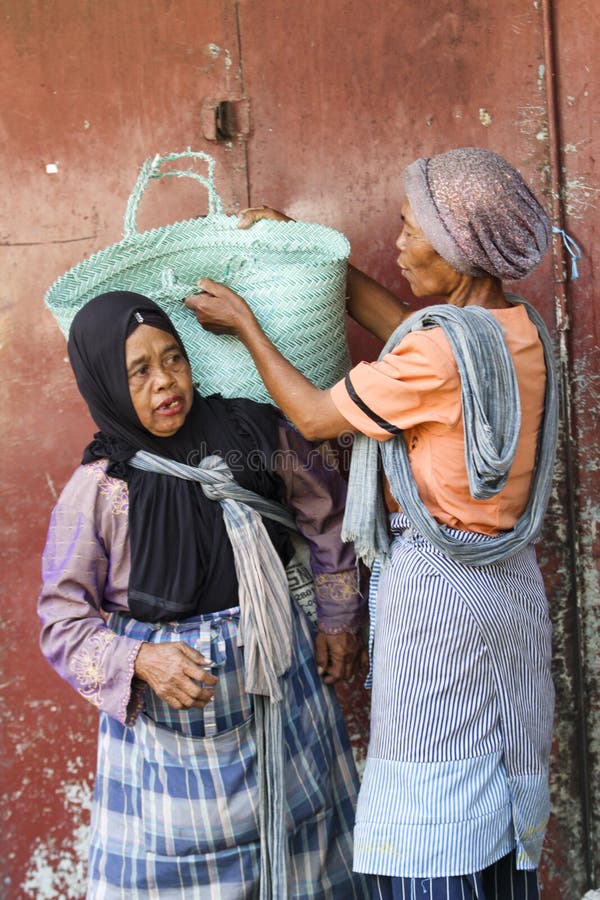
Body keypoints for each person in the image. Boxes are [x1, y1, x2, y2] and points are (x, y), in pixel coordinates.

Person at [184, 147, 559, 899]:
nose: (397, 243)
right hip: (508, 591)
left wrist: (246, 325)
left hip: (442, 600)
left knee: (434, 819)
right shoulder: (514, 329)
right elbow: (409, 335)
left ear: (458, 250)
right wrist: (311, 251)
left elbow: (317, 413)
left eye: (409, 229)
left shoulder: (440, 353)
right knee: (492, 802)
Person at [38, 290, 370, 899]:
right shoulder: (99, 490)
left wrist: (340, 615)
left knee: (310, 859)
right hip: (175, 730)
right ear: (105, 384)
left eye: (174, 358)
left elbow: (326, 513)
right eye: (139, 371)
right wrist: (138, 659)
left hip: (283, 691)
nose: (166, 382)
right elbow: (62, 622)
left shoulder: (251, 430)